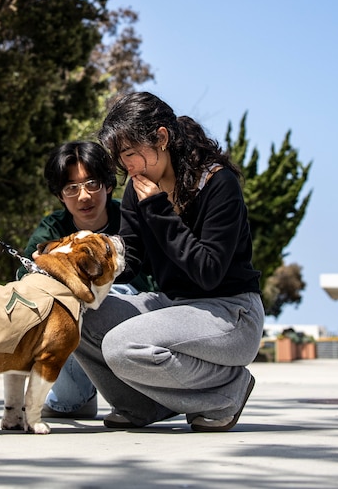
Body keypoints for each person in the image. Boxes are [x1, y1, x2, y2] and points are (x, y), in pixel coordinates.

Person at [73, 91, 265, 432]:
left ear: (161, 138)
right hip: (172, 307)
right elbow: (130, 259)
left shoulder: (218, 183)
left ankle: (226, 392)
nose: (127, 167)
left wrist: (158, 209)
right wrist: (80, 262)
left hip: (231, 312)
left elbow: (208, 272)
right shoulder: (137, 189)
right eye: (121, 158)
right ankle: (140, 407)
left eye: (131, 154)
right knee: (77, 315)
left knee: (121, 346)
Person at [21, 141, 155, 420]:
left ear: (108, 185)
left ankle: (138, 397)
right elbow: (25, 278)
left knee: (97, 297)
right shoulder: (52, 229)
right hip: (74, 325)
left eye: (92, 183)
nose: (83, 196)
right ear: (60, 195)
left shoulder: (130, 217)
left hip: (135, 316)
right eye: (71, 188)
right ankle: (73, 398)